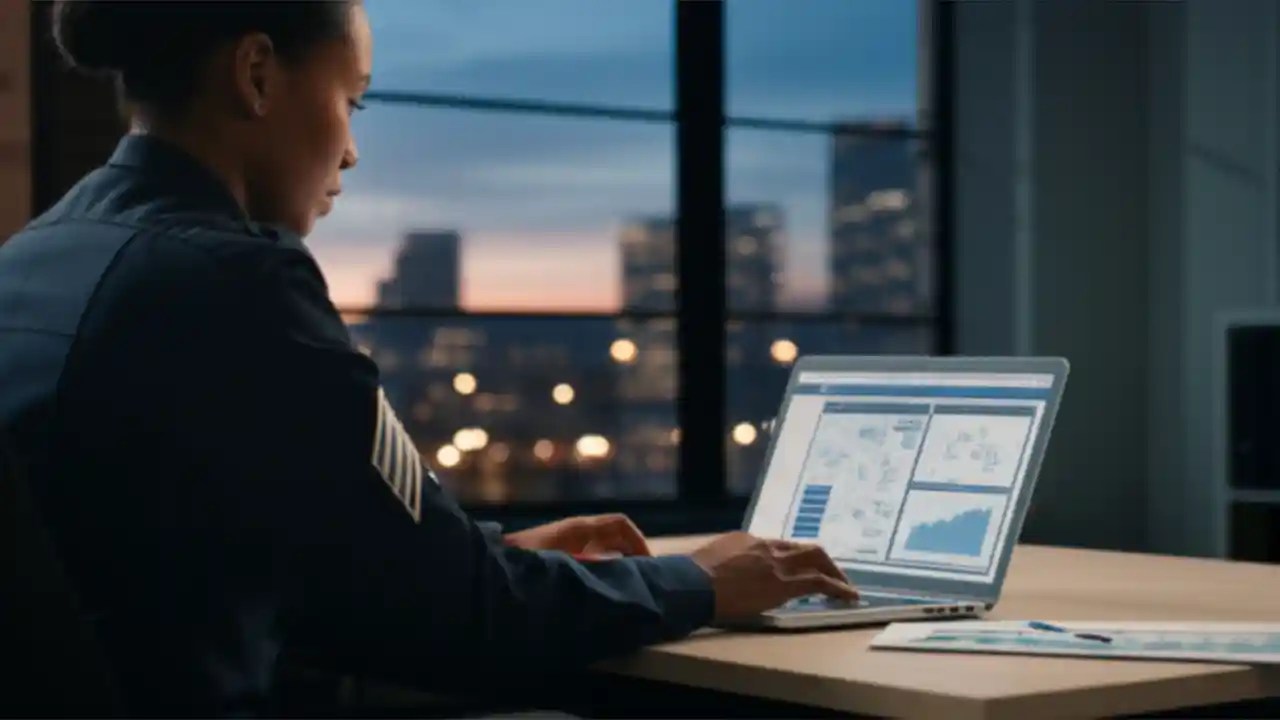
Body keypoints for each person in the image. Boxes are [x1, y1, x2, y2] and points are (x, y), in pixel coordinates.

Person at [0, 0, 858, 715]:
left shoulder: (36, 255)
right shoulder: (232, 280)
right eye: (353, 101)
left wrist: (490, 554)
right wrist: (698, 582)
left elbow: (224, 562)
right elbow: (471, 620)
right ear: (257, 74)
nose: (350, 150)